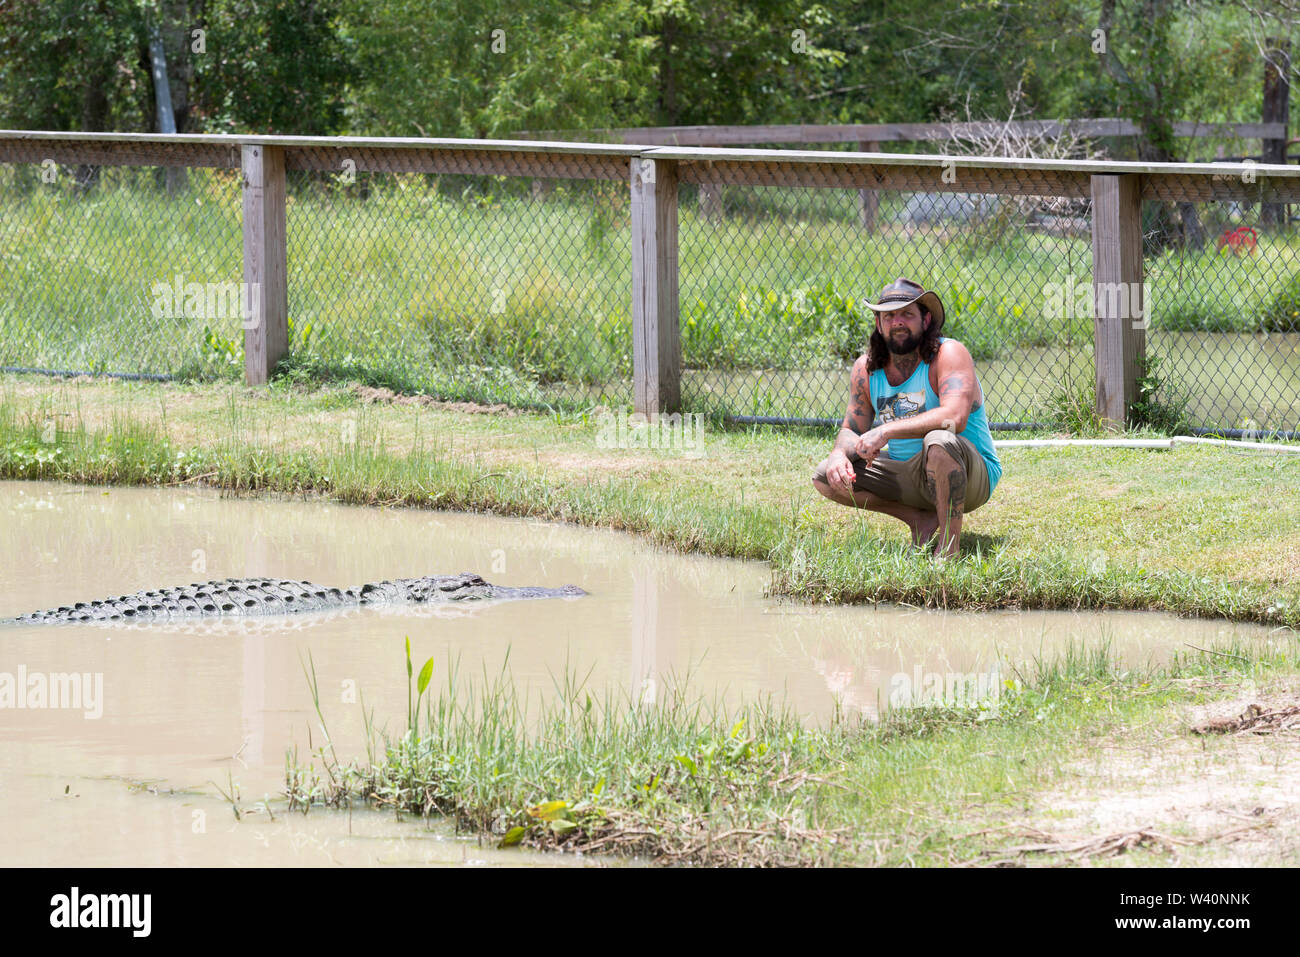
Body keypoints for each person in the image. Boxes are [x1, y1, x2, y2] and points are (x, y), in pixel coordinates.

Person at [811, 277, 1002, 558]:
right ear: (879, 324)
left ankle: (949, 550)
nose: (897, 322)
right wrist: (840, 453)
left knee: (939, 440)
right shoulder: (866, 368)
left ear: (925, 321)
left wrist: (886, 432)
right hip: (907, 475)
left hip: (970, 475)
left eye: (907, 314)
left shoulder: (948, 353)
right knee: (826, 475)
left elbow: (955, 418)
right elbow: (852, 428)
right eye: (889, 316)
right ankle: (918, 519)